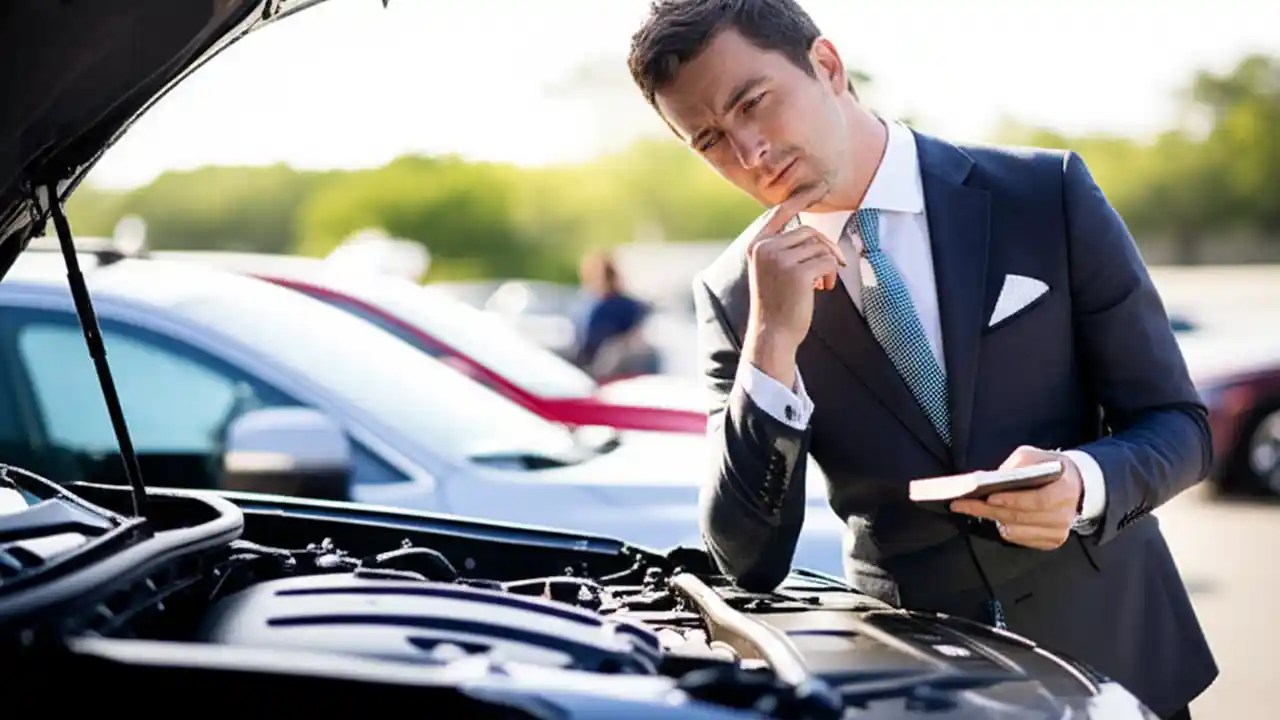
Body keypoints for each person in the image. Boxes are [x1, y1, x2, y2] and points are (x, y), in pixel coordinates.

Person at [625, 2, 1215, 718]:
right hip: (919, 687)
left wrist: (1086, 483)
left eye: (753, 102)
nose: (748, 151)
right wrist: (771, 344)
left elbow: (1179, 425)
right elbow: (746, 559)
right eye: (711, 139)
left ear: (827, 66)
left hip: (1117, 659)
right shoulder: (736, 295)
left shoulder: (1043, 195)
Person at [573, 249, 660, 380]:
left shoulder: (624, 305)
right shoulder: (588, 302)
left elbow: (635, 333)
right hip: (588, 364)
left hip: (614, 367)